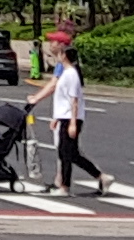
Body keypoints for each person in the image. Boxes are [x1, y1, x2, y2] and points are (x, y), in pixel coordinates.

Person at [40, 42, 103, 196]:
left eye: (60, 53)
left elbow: (73, 100)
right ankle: (100, 177)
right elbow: (61, 99)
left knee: (67, 153)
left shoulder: (72, 75)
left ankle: (66, 187)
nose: (58, 56)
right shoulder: (67, 73)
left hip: (70, 118)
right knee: (68, 153)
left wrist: (73, 123)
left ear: (65, 56)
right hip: (64, 117)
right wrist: (56, 118)